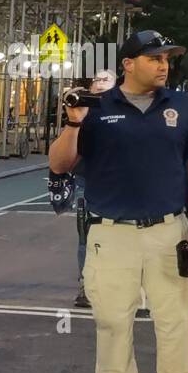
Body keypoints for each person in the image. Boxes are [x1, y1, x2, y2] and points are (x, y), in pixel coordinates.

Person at [48, 30, 188, 373]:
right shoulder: (96, 107)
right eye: (154, 58)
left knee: (177, 322)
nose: (163, 65)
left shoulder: (182, 105)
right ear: (128, 63)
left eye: (166, 59)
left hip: (169, 231)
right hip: (111, 233)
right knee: (111, 321)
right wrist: (73, 122)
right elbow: (60, 164)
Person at [72, 71, 117, 309]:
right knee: (85, 236)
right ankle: (86, 285)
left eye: (105, 80)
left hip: (119, 184)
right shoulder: (81, 110)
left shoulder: (124, 111)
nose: (100, 83)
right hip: (86, 181)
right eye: (96, 80)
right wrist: (74, 118)